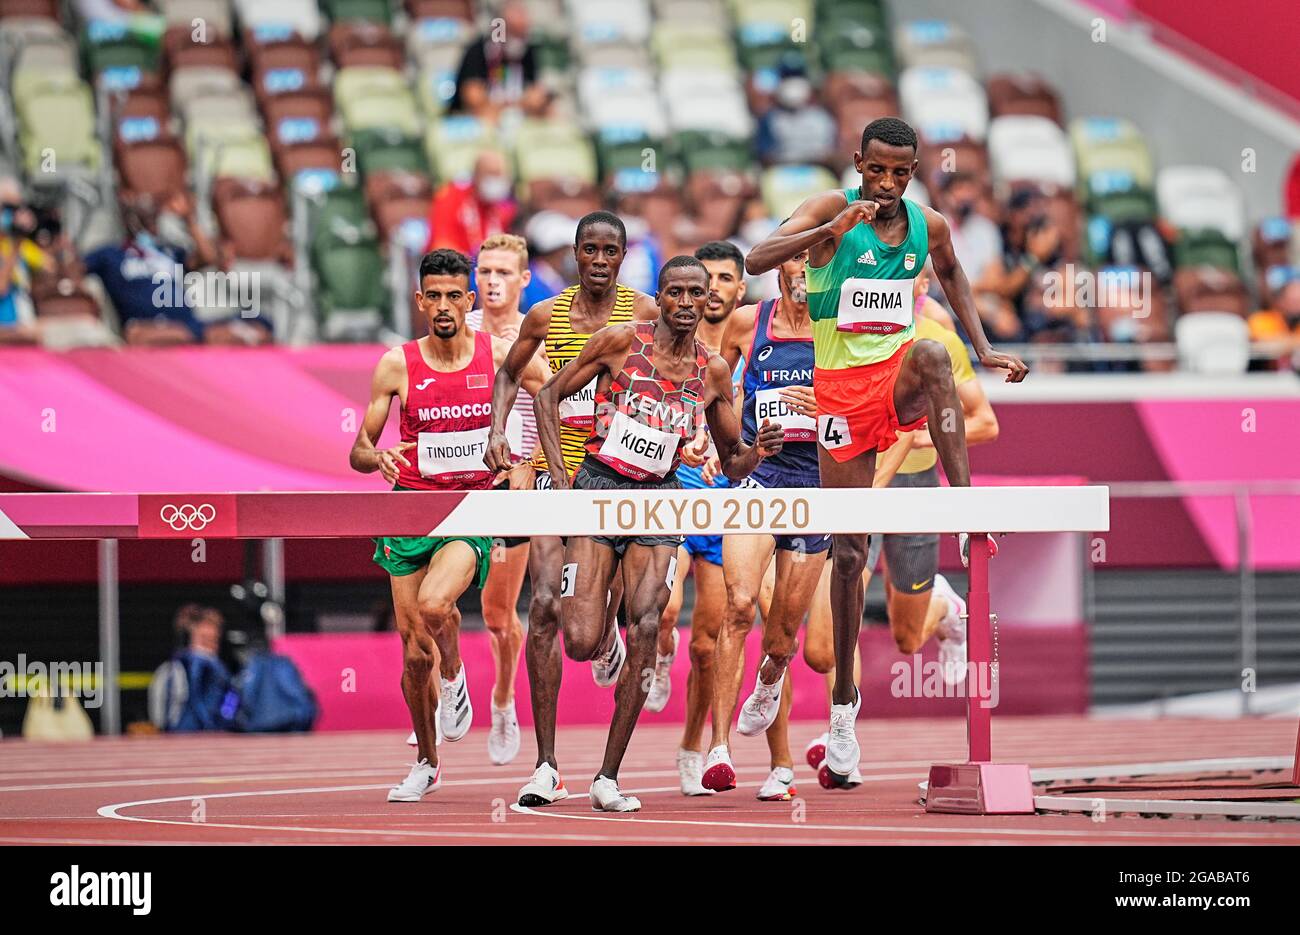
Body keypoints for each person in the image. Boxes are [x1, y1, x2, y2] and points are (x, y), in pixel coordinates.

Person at [745, 116, 1027, 786]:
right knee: (847, 553)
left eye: (902, 172)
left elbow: (954, 277)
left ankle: (966, 511)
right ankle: (844, 709)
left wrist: (984, 352)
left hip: (893, 377)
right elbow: (757, 258)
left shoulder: (928, 224)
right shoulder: (829, 209)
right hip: (840, 393)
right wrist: (828, 235)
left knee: (932, 352)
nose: (889, 184)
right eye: (878, 170)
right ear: (858, 163)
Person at [533, 255, 785, 812]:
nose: (688, 303)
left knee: (649, 623)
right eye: (676, 292)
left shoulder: (713, 370)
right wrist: (563, 483)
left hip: (661, 497)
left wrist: (758, 451)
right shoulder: (620, 341)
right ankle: (604, 643)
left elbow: (733, 463)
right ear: (661, 296)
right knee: (577, 639)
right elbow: (546, 395)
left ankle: (608, 778)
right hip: (600, 486)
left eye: (697, 293)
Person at [350, 248, 546, 802]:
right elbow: (358, 451)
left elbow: (554, 392)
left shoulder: (499, 353)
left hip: (467, 513)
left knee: (438, 607)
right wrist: (378, 456)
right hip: (407, 512)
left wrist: (540, 461)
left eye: (453, 295)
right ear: (420, 301)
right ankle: (427, 763)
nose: (443, 306)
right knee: (414, 654)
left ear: (469, 300)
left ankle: (456, 678)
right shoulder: (396, 364)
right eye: (432, 296)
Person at [485, 211, 659, 808]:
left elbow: (680, 375)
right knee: (541, 608)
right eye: (591, 250)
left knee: (587, 631)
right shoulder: (545, 314)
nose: (601, 260)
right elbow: (509, 376)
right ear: (576, 256)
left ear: (624, 254)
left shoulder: (645, 313)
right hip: (558, 476)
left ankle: (606, 622)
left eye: (612, 250)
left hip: (622, 478)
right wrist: (497, 430)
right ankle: (546, 767)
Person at [801, 270, 1000, 782]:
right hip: (858, 480)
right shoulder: (841, 334)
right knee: (822, 646)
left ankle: (945, 608)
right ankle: (842, 729)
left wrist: (920, 436)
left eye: (908, 280)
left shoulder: (936, 340)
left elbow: (983, 422)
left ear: (919, 287)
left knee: (909, 640)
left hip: (913, 491)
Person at [700, 245, 831, 801]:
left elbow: (872, 406)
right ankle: (719, 749)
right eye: (794, 262)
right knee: (736, 606)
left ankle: (771, 678)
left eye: (813, 264)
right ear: (779, 268)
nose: (802, 273)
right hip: (758, 480)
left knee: (783, 637)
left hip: (815, 488)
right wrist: (722, 442)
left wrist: (824, 405)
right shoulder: (747, 323)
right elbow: (713, 385)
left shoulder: (837, 329)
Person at [640, 241, 744, 798]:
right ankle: (658, 654)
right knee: (665, 605)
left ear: (734, 290)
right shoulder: (662, 340)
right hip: (677, 489)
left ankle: (690, 747)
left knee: (707, 645)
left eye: (725, 280)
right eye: (707, 281)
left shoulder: (751, 344)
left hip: (725, 498)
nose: (713, 291)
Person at [466, 233, 536, 765]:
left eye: (503, 272)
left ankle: (504, 699)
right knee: (430, 605)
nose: (492, 281)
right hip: (454, 484)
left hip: (514, 486)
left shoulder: (538, 333)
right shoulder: (456, 330)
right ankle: (446, 683)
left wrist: (527, 466)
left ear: (524, 279)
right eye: (485, 271)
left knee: (496, 614)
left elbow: (552, 406)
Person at [80, 191, 218, 344]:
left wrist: (189, 219)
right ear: (128, 219)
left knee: (237, 327)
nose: (151, 224)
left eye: (154, 218)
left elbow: (208, 257)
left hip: (185, 323)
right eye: (144, 218)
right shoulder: (111, 254)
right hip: (145, 328)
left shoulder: (169, 252)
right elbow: (75, 270)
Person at [448, 0, 549, 122]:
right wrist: (521, 104)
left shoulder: (526, 52)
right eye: (513, 31)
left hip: (514, 122)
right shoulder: (478, 51)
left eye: (523, 33)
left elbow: (537, 97)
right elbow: (474, 100)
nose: (519, 40)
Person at [423, 150, 517, 256]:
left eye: (501, 176)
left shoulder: (505, 208)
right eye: (492, 174)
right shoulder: (452, 197)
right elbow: (440, 246)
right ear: (476, 175)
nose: (497, 181)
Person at [755, 58, 837, 168]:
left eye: (798, 78)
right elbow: (765, 156)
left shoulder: (822, 118)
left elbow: (831, 153)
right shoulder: (769, 119)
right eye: (787, 78)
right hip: (781, 172)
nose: (793, 84)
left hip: (817, 172)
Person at [0, 179, 49, 344]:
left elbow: (50, 268)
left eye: (18, 208)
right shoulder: (15, 245)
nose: (14, 215)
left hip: (21, 325)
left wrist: (46, 235)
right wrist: (15, 246)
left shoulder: (20, 244)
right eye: (8, 208)